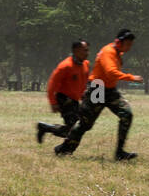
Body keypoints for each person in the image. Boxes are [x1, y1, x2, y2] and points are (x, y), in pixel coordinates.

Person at [54, 28, 143, 161]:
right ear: (119, 42)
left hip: (110, 90)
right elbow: (110, 72)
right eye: (128, 44)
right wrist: (131, 77)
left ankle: (120, 153)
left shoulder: (119, 52)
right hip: (98, 88)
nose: (130, 47)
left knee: (127, 114)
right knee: (85, 123)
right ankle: (64, 149)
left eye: (131, 44)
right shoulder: (108, 52)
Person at [36, 40, 90, 144]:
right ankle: (62, 148)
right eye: (84, 50)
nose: (87, 53)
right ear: (75, 51)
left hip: (74, 100)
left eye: (88, 50)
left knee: (78, 127)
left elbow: (83, 82)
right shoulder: (65, 66)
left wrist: (83, 95)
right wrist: (53, 103)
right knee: (74, 129)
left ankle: (45, 127)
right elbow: (52, 85)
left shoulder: (86, 64)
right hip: (64, 98)